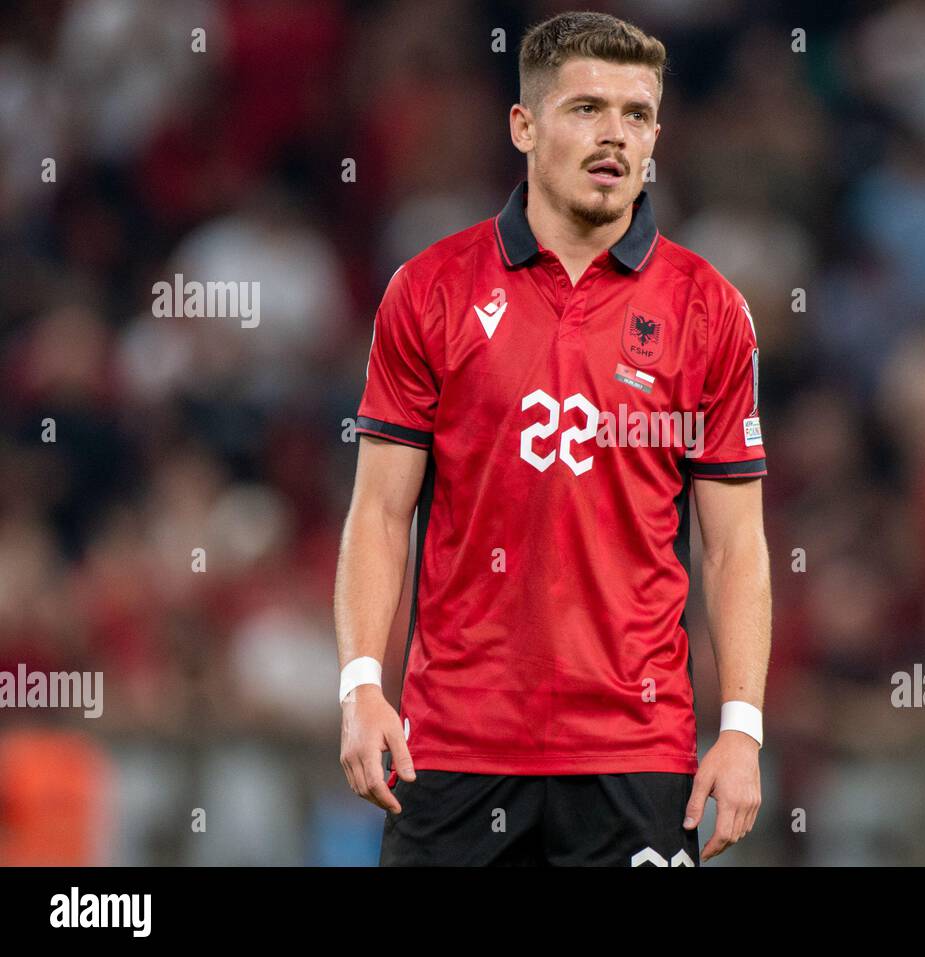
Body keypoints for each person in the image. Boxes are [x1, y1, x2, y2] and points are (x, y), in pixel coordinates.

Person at [334, 10, 771, 866]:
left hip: (636, 749)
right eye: (586, 109)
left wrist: (743, 729)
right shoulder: (429, 292)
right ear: (524, 126)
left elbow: (736, 548)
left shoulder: (709, 309)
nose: (615, 136)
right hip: (454, 743)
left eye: (638, 115)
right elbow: (380, 513)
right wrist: (360, 686)